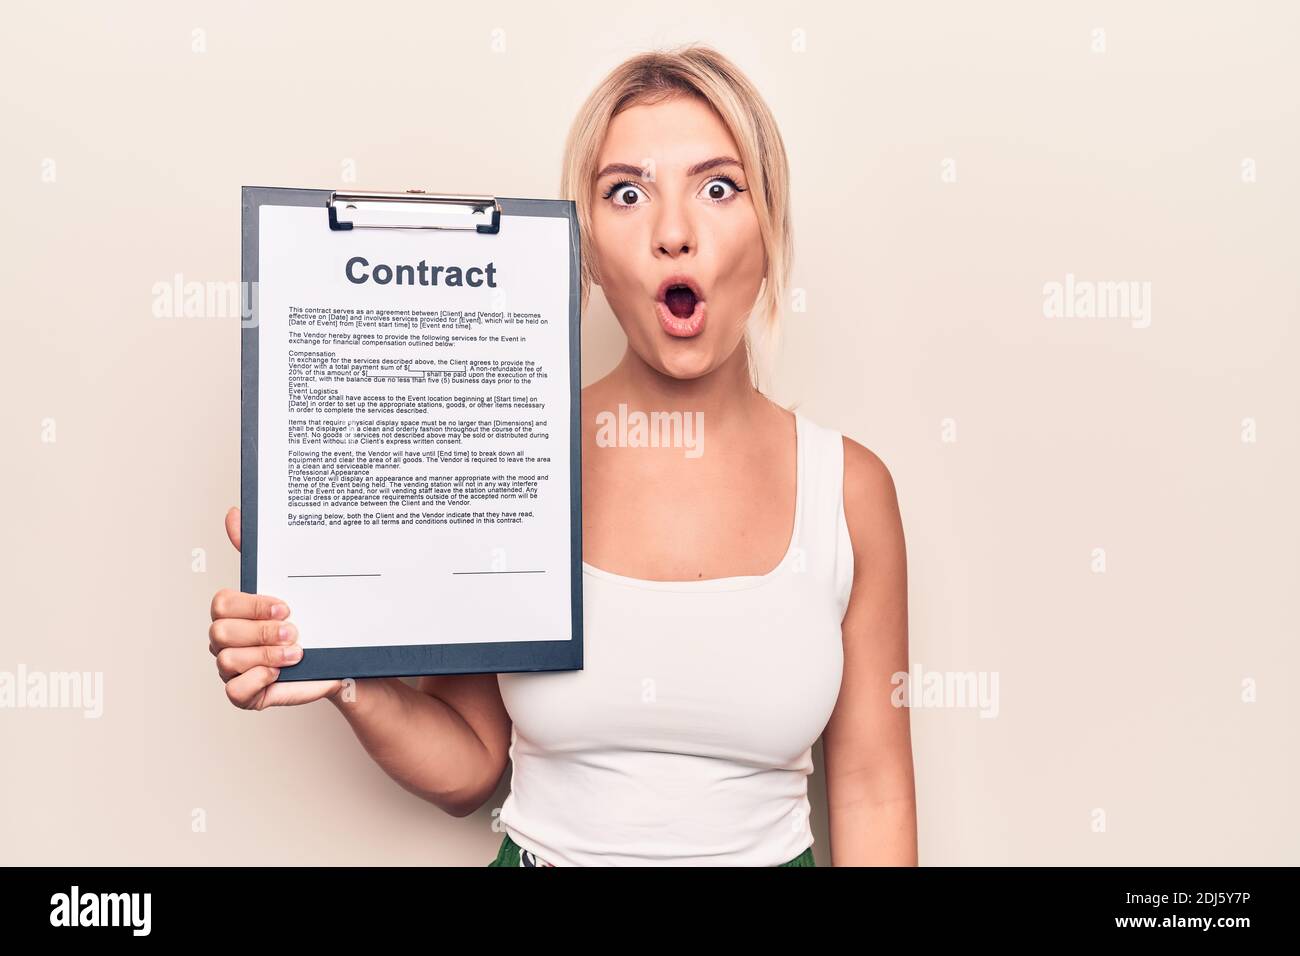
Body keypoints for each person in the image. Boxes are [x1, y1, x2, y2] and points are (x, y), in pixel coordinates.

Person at [208, 44, 916, 866]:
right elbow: (471, 763)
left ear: (771, 225)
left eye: (718, 187)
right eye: (627, 192)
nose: (674, 233)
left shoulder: (851, 490)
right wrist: (337, 672)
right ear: (585, 247)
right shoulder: (509, 456)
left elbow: (871, 788)